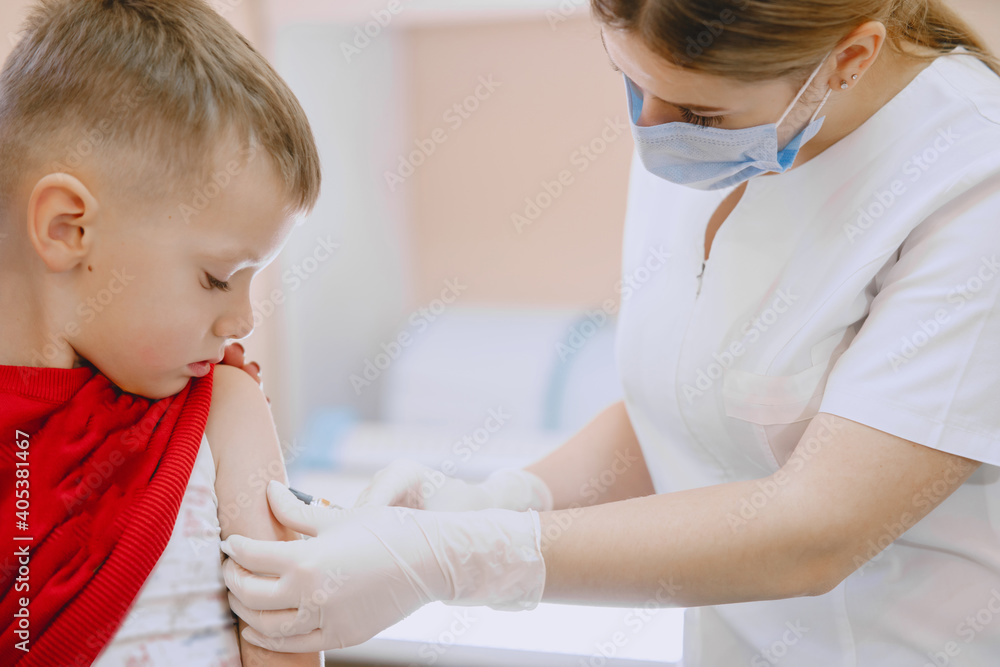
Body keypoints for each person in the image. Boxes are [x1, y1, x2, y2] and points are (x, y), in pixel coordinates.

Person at [222, 0, 1000, 664]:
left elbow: (815, 532)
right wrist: (500, 500)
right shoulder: (689, 119)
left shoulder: (971, 183)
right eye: (630, 81)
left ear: (849, 59)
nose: (652, 129)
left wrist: (462, 558)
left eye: (700, 115)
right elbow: (688, 403)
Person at [0, 0, 323, 665]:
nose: (243, 320)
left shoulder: (225, 414)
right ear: (68, 229)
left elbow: (284, 646)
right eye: (217, 277)